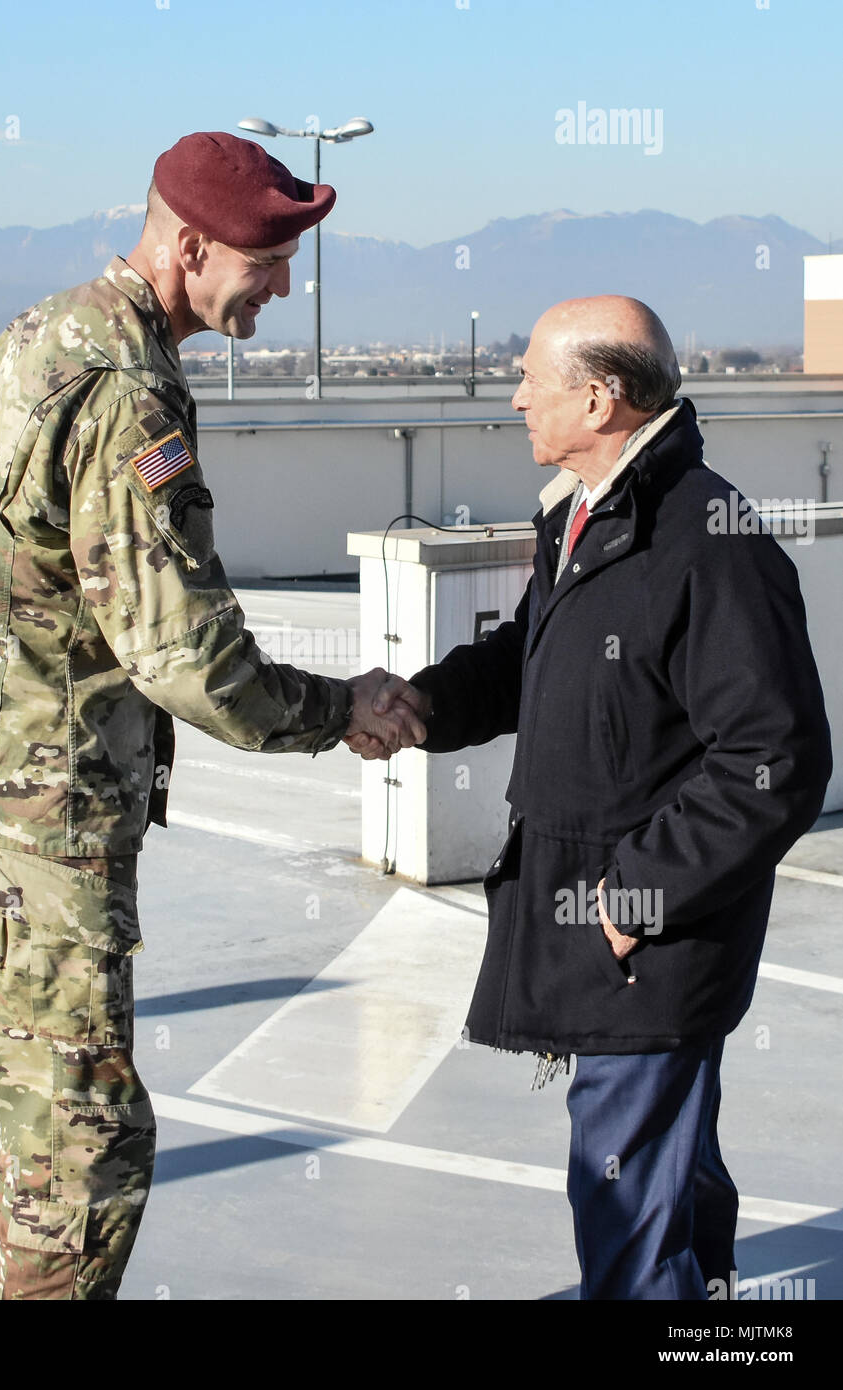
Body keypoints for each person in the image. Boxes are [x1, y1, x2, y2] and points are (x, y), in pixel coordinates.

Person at [0, 130, 426, 1300]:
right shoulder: (128, 390)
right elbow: (184, 651)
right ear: (188, 244)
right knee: (83, 1147)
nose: (283, 286)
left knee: (36, 1106)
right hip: (40, 813)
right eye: (266, 258)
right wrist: (343, 707)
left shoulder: (53, 328)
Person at [348, 296, 832, 1300]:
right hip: (592, 911)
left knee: (621, 1196)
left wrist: (630, 900)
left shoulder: (706, 539)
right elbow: (530, 660)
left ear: (600, 397)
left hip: (649, 935)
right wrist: (422, 705)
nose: (514, 392)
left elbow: (773, 758)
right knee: (668, 1153)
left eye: (533, 375)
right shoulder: (584, 513)